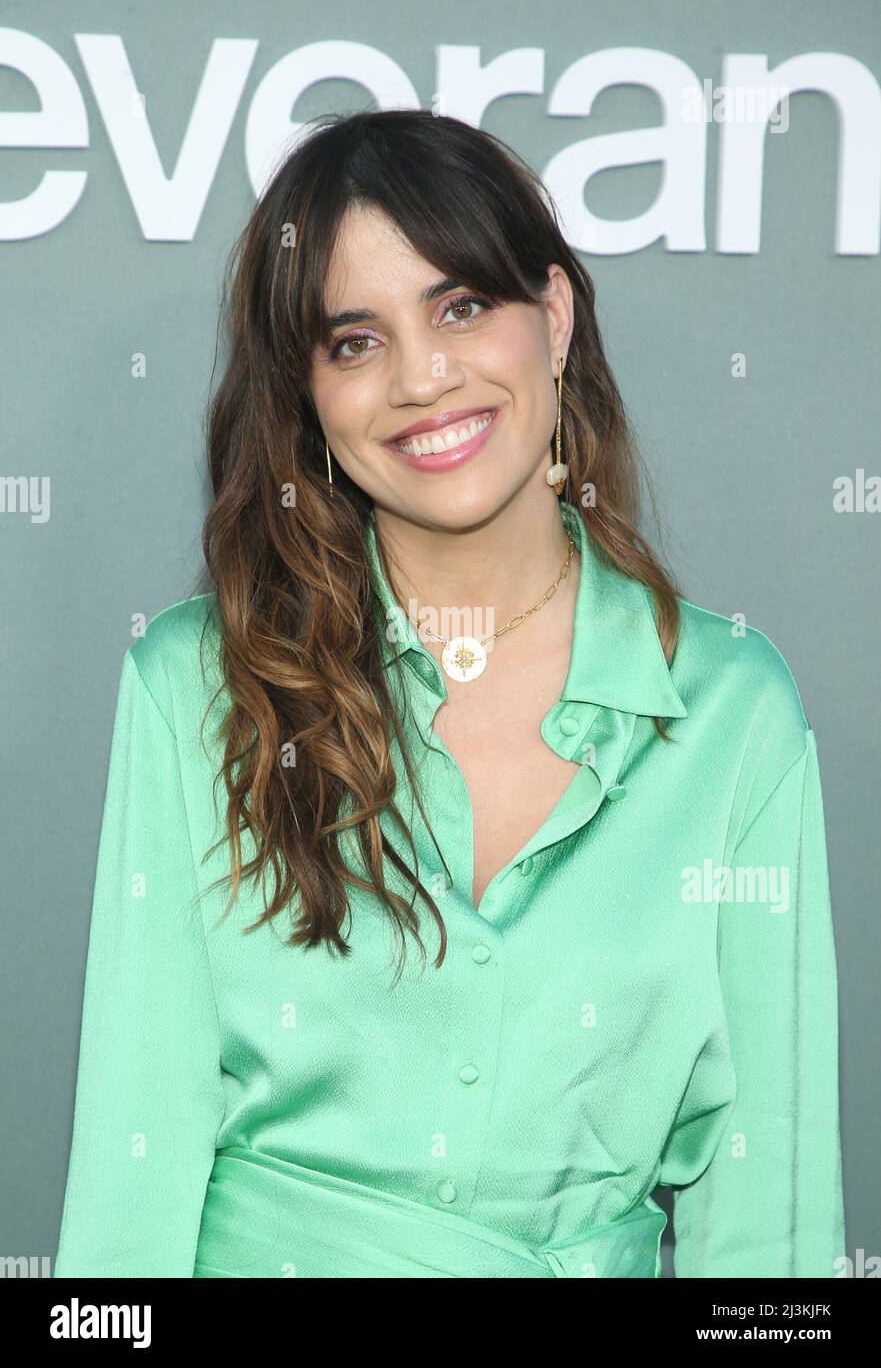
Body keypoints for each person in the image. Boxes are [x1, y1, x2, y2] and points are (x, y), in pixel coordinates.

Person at [53, 109, 845, 1279]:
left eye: (460, 307)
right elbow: (135, 1160)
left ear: (556, 317)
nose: (423, 378)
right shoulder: (196, 685)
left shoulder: (729, 709)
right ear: (309, 395)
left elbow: (765, 1201)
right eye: (354, 342)